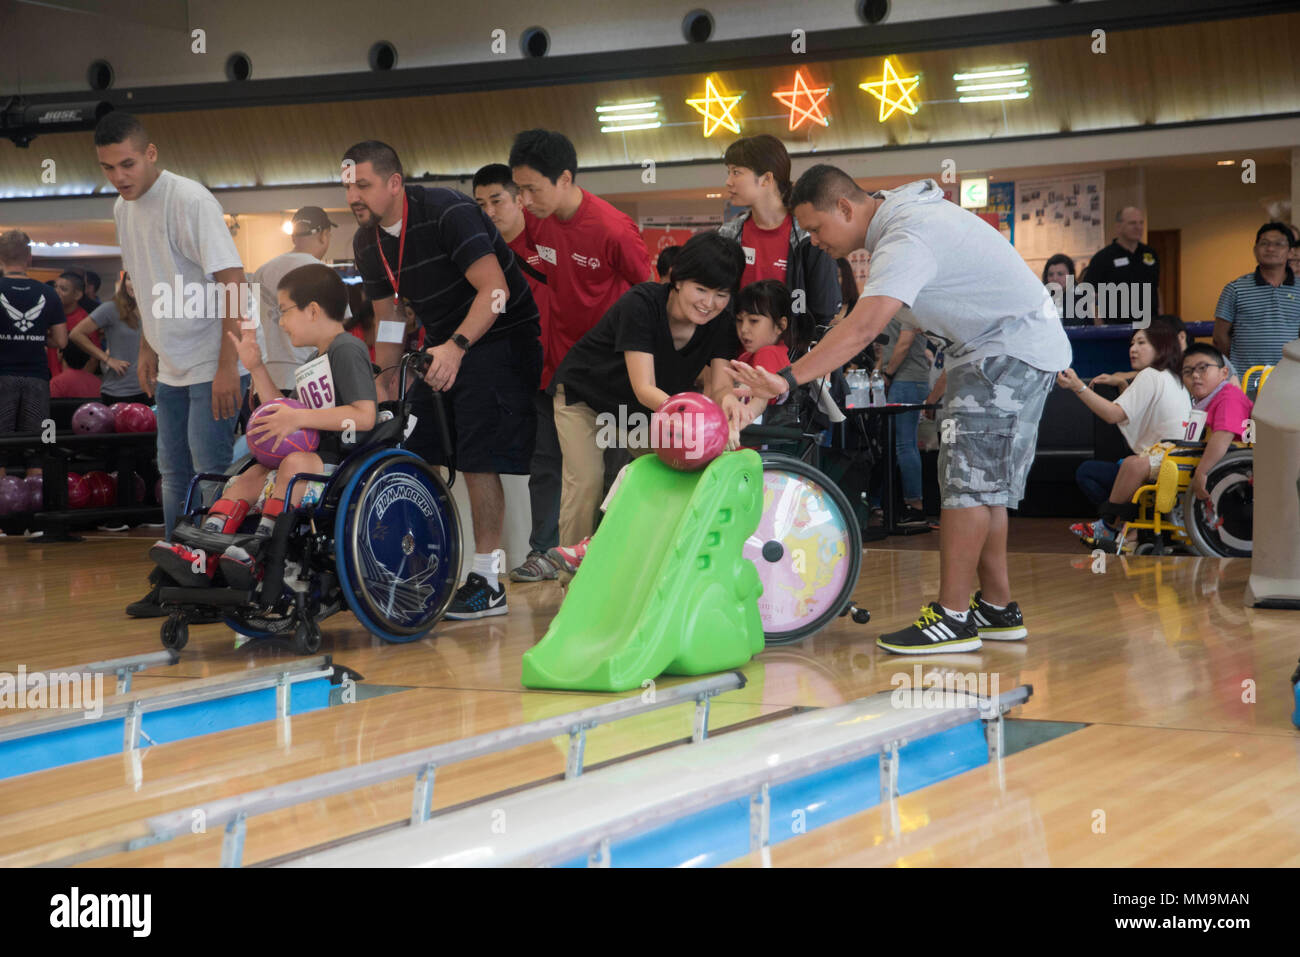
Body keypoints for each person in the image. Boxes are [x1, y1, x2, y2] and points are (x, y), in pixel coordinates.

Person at [730, 166, 1072, 655]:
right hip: (999, 352)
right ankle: (997, 607)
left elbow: (865, 328)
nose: (815, 241)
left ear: (845, 208)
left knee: (966, 487)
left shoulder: (906, 233)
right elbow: (852, 319)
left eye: (817, 228)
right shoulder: (897, 220)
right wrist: (785, 379)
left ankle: (952, 618)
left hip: (1006, 353)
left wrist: (787, 378)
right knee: (983, 488)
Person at [345, 139, 541, 620]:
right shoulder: (366, 241)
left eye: (363, 185)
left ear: (394, 183)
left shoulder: (447, 211)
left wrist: (458, 346)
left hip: (501, 337)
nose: (354, 196)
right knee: (419, 448)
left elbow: (494, 291)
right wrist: (385, 377)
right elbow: (389, 315)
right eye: (348, 186)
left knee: (477, 457)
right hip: (441, 345)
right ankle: (421, 562)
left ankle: (489, 580)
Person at [95, 111, 252, 618]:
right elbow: (141, 280)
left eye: (128, 164)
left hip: (214, 362)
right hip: (172, 366)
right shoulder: (123, 208)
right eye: (108, 168)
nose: (120, 177)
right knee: (174, 474)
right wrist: (147, 346)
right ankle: (174, 576)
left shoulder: (190, 200)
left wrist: (229, 363)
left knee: (209, 474)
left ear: (151, 153)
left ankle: (209, 583)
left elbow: (233, 277)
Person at [150, 264, 376, 589]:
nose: (281, 323)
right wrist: (255, 367)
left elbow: (365, 415)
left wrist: (299, 418)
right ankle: (204, 549)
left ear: (312, 310)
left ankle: (263, 549)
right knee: (251, 473)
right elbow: (281, 411)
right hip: (311, 458)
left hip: (342, 462)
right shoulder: (314, 359)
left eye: (284, 311)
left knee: (295, 463)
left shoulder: (347, 349)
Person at [545, 232, 747, 572]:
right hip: (587, 398)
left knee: (675, 475)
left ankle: (649, 574)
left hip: (647, 411)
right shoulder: (641, 304)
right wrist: (694, 421)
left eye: (721, 294)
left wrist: (727, 402)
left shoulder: (720, 325)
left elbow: (719, 389)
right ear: (678, 280)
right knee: (588, 482)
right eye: (701, 289)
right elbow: (644, 388)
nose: (709, 303)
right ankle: (571, 585)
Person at [509, 129, 653, 581]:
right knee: (581, 482)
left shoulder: (613, 229)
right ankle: (574, 586)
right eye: (520, 190)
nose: (524, 200)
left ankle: (636, 572)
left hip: (620, 374)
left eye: (532, 188)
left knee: (640, 472)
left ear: (565, 178)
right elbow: (543, 269)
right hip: (569, 373)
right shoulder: (537, 221)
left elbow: (649, 296)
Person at [471, 162, 559, 584]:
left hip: (560, 369)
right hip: (509, 372)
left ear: (520, 199)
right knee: (534, 464)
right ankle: (538, 551)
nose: (489, 211)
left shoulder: (547, 242)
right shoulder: (475, 256)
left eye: (497, 200)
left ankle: (568, 549)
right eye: (480, 204)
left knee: (568, 465)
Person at [1057, 323, 1189, 545]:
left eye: (1141, 343)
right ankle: (1128, 526)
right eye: (1131, 344)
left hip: (1162, 461)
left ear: (1161, 347)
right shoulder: (1173, 377)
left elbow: (1113, 414)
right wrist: (1120, 382)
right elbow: (1138, 409)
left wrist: (1078, 386)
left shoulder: (1150, 375)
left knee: (1089, 472)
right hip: (1180, 460)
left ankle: (1113, 525)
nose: (1133, 349)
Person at [719, 134, 841, 344]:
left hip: (795, 364)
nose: (728, 181)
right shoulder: (728, 235)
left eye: (736, 172)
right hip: (740, 364)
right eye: (728, 172)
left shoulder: (808, 235)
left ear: (767, 179)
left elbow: (824, 311)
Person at [250, 206, 339, 395]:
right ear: (324, 235)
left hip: (266, 376)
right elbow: (336, 333)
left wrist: (254, 378)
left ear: (293, 237)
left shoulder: (261, 271)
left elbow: (253, 324)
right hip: (310, 377)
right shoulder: (324, 274)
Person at [0, 230, 67, 447]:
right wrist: (36, 337)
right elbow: (61, 341)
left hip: (2, 376)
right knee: (37, 446)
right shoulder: (48, 293)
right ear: (29, 257)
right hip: (36, 377)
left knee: (2, 445)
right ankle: (36, 480)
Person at [1212, 222, 1300, 374]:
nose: (1271, 249)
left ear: (1291, 252)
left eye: (1279, 244)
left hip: (1290, 379)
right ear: (1255, 250)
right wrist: (1234, 369)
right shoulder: (1235, 289)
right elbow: (1220, 337)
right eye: (1264, 243)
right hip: (1245, 380)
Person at [873, 307, 931, 523]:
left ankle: (915, 504)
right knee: (897, 444)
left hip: (905, 379)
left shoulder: (909, 308)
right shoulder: (897, 308)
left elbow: (904, 344)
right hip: (903, 378)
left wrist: (887, 374)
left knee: (904, 445)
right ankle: (902, 502)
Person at [1179, 343, 1253, 504]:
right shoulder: (1205, 400)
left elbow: (1224, 434)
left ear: (1224, 372)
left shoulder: (1229, 397)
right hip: (1210, 462)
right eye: (1187, 372)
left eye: (1203, 368)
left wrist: (1202, 472)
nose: (1195, 376)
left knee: (1139, 467)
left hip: (1234, 469)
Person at [69, 272, 149, 406]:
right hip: (119, 391)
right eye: (129, 279)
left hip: (151, 389)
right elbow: (76, 334)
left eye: (139, 279)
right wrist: (107, 359)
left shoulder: (155, 310)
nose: (133, 284)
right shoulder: (111, 308)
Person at [1082, 207, 1160, 324]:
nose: (1138, 227)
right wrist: (1099, 324)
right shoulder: (1103, 258)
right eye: (1132, 223)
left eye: (1141, 223)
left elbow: (1156, 289)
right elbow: (1089, 294)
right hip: (1116, 327)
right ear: (1118, 227)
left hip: (1149, 325)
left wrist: (1160, 320)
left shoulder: (1150, 254)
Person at [51, 271, 91, 377]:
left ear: (77, 295)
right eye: (55, 287)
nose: (56, 292)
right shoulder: (47, 314)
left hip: (70, 383)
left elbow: (93, 357)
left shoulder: (85, 320)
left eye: (63, 289)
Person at [1042, 253, 1093, 327]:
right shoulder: (1045, 299)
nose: (1055, 278)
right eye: (1050, 274)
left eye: (1060, 274)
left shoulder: (1082, 297)